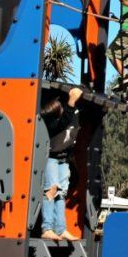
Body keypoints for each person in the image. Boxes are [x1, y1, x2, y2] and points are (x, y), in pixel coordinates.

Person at [40, 86, 83, 241]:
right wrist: (71, 103)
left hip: (64, 158)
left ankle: (61, 229)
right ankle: (47, 227)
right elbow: (62, 124)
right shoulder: (51, 120)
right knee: (50, 190)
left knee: (61, 193)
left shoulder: (73, 112)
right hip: (51, 156)